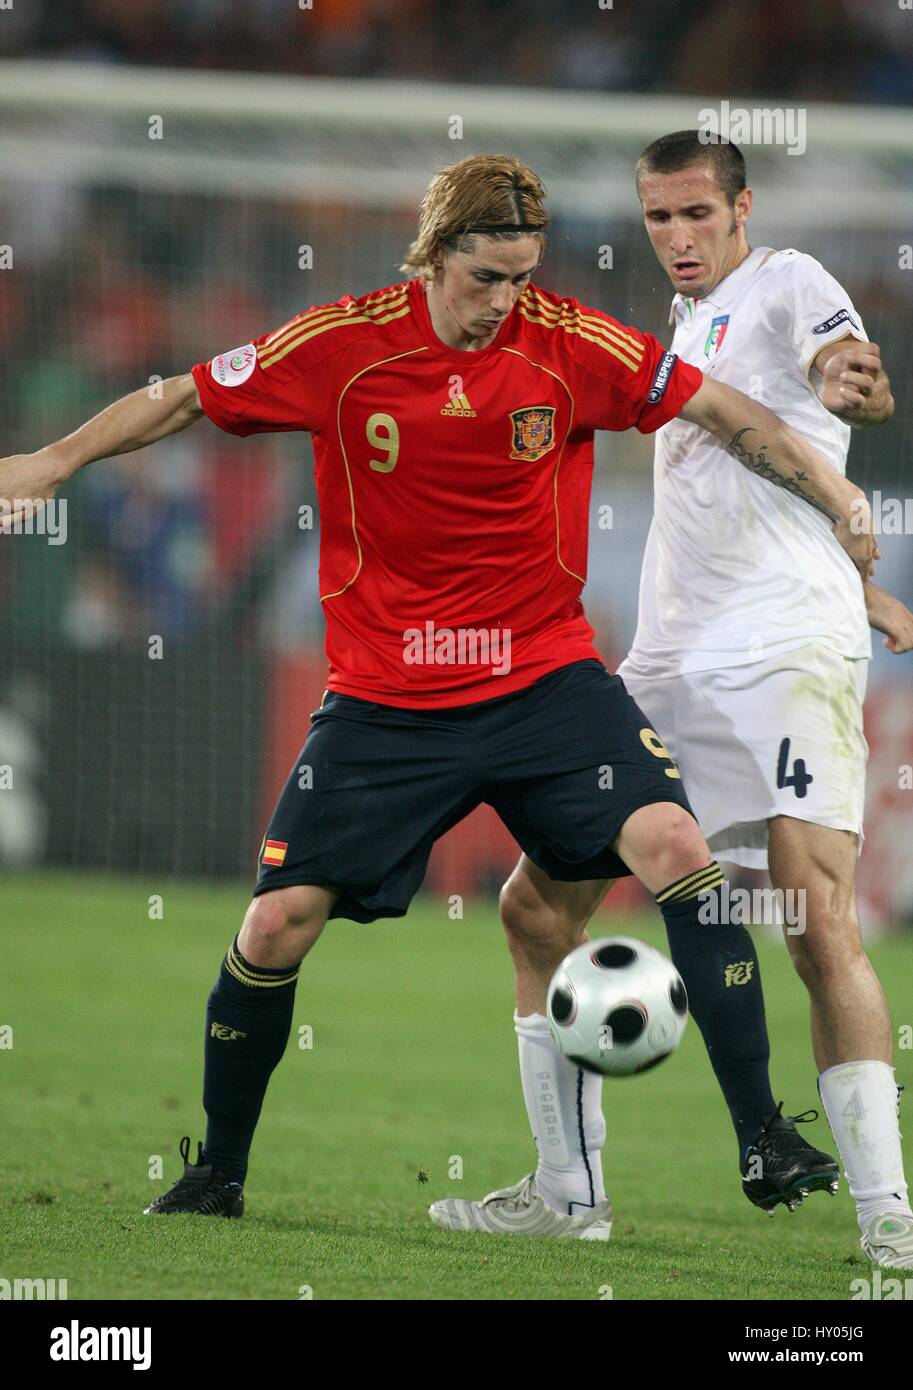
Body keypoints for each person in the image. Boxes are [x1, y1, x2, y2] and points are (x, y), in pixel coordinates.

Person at [0, 154, 873, 1240]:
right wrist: (54, 456)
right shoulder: (338, 346)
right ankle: (217, 1171)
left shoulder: (569, 342)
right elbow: (181, 395)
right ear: (433, 256)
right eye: (482, 279)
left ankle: (762, 1134)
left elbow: (726, 411)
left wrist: (836, 490)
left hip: (544, 677)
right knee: (275, 926)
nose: (501, 303)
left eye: (518, 278)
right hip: (385, 698)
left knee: (673, 845)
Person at [468, 134, 913, 1269]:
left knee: (815, 916)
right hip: (665, 667)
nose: (675, 237)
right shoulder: (675, 329)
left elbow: (838, 367)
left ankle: (887, 1216)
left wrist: (846, 377)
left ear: (741, 208)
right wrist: (862, 579)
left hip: (779, 655)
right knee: (534, 905)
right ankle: (568, 1191)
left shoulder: (787, 281)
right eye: (656, 217)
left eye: (695, 215)